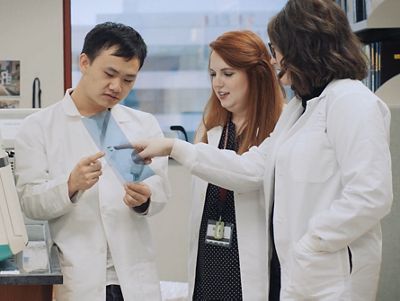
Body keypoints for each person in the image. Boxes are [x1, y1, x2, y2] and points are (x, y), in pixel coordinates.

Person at [132, 1, 393, 300]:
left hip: (330, 275)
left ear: (302, 48)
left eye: (277, 47)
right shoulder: (300, 109)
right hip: (298, 273)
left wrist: (312, 243)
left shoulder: (352, 102)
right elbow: (252, 168)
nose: (275, 58)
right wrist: (175, 147)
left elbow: (371, 195)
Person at [15, 22, 170, 301]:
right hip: (80, 278)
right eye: (109, 73)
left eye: (128, 79)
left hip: (132, 280)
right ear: (84, 62)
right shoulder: (38, 127)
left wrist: (146, 198)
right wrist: (70, 185)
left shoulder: (142, 124)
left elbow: (160, 190)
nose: (116, 87)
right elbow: (29, 201)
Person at [188, 30, 283, 300]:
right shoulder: (210, 128)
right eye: (212, 74)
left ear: (256, 74)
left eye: (228, 74)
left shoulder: (282, 125)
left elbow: (247, 173)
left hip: (251, 262)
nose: (218, 83)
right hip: (209, 258)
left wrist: (175, 148)